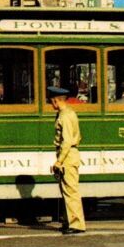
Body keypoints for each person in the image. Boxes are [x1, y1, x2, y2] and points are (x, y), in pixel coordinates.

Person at [48, 86, 87, 234]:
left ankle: (76, 224)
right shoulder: (68, 113)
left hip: (68, 156)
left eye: (52, 101)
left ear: (56, 101)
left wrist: (59, 161)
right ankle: (69, 221)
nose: (51, 105)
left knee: (70, 191)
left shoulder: (64, 116)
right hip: (69, 155)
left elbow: (67, 141)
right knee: (67, 190)